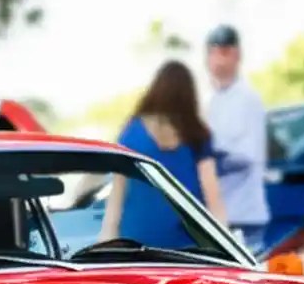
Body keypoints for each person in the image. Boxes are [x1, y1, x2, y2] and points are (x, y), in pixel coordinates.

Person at [100, 61, 227, 248]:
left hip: (136, 242)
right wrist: (225, 241)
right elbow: (213, 195)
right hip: (188, 244)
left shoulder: (132, 133)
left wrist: (107, 237)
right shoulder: (197, 134)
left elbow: (117, 192)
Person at [204, 25, 269, 252]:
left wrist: (209, 161)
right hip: (216, 216)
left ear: (237, 55)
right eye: (212, 52)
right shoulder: (210, 101)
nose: (217, 59)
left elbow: (246, 157)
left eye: (224, 52)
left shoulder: (248, 98)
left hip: (244, 217)